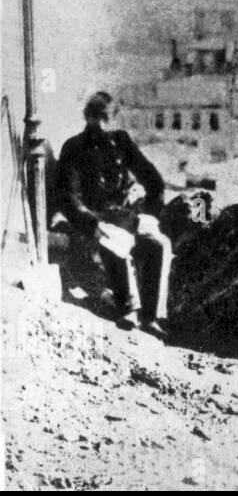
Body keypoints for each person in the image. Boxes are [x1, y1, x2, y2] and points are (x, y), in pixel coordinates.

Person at [56, 92, 172, 335]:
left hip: (126, 217)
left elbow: (153, 180)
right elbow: (68, 198)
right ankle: (127, 309)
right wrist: (91, 224)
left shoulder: (121, 142)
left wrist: (150, 214)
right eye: (95, 117)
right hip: (95, 219)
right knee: (116, 244)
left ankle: (151, 317)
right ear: (86, 117)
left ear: (113, 118)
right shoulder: (74, 147)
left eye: (106, 117)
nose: (100, 123)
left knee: (158, 244)